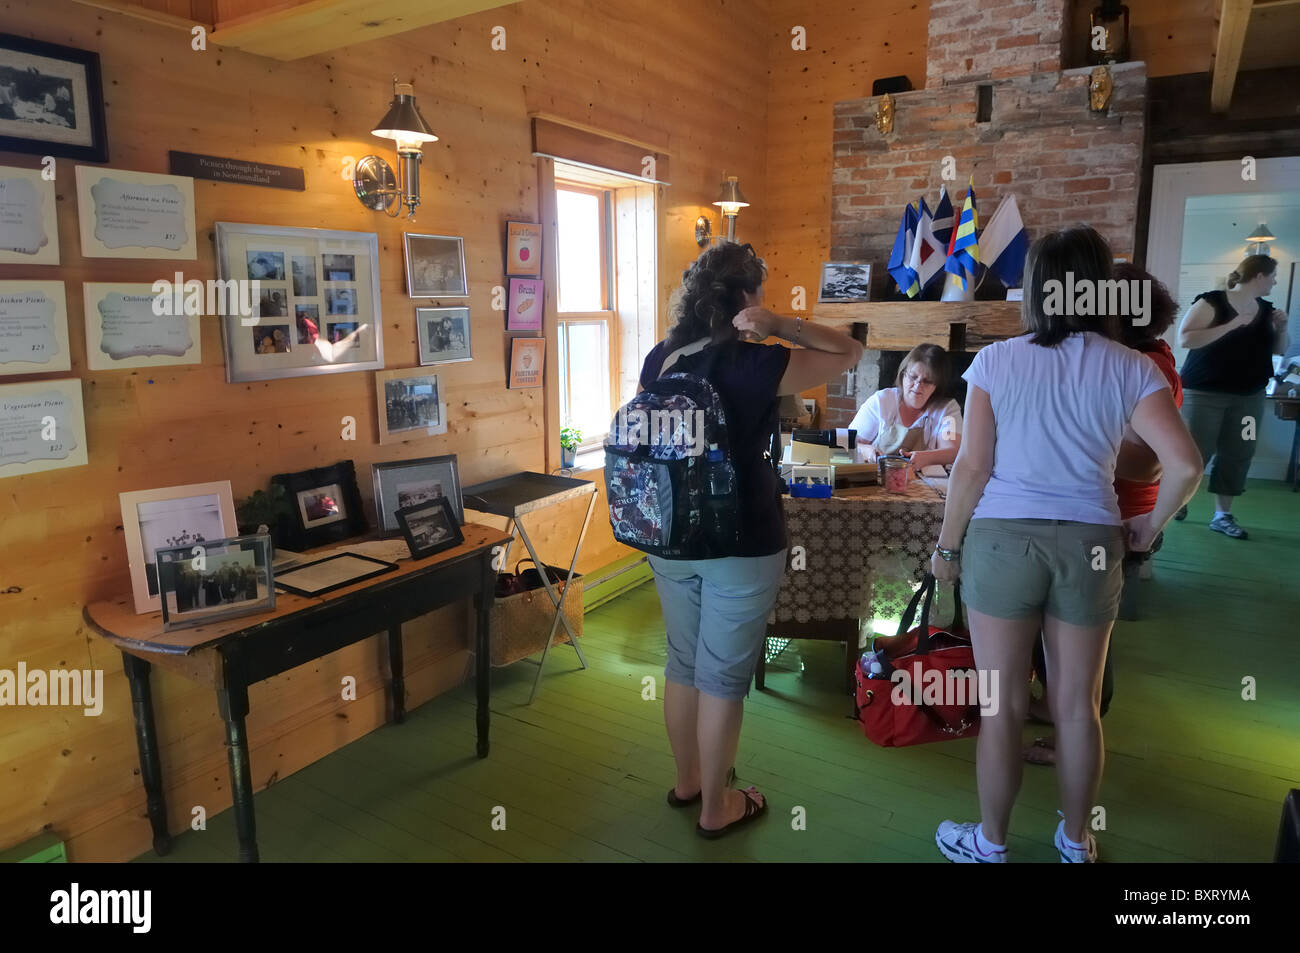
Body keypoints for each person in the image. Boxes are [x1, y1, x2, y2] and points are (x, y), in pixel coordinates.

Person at [928, 225, 1203, 862]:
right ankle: (1076, 842)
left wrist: (946, 549)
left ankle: (991, 844)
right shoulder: (1134, 366)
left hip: (1001, 542)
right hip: (1093, 543)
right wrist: (1149, 526)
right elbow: (1184, 465)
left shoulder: (996, 361)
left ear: (1035, 290)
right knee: (1077, 708)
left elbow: (971, 468)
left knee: (1000, 707)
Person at [640, 241, 862, 837]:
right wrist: (780, 325)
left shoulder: (661, 358)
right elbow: (849, 349)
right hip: (743, 537)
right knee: (724, 677)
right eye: (758, 295)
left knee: (683, 663)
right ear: (744, 299)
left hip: (668, 534)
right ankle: (719, 808)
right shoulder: (756, 362)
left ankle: (688, 782)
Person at [1023, 263, 1184, 766]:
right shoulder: (1137, 358)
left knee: (1088, 640)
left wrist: (1080, 439)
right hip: (1092, 513)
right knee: (1065, 626)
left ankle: (1073, 733)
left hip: (1115, 516)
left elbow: (1152, 461)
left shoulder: (1140, 366)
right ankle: (1056, 710)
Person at [1174, 255, 1289, 538]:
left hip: (1249, 397)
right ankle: (1177, 502)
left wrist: (1282, 328)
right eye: (1273, 276)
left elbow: (1278, 350)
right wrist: (1234, 324)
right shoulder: (1212, 301)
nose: (1275, 281)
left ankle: (1222, 516)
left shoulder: (1266, 310)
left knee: (1239, 453)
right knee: (1195, 453)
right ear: (1259, 275)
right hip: (1203, 393)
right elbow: (1185, 339)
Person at [849, 342, 963, 474]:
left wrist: (925, 458)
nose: (917, 385)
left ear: (937, 385)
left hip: (925, 483)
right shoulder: (881, 401)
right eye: (913, 377)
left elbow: (952, 452)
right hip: (878, 478)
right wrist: (866, 450)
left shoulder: (947, 409)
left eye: (927, 381)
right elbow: (849, 442)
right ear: (903, 374)